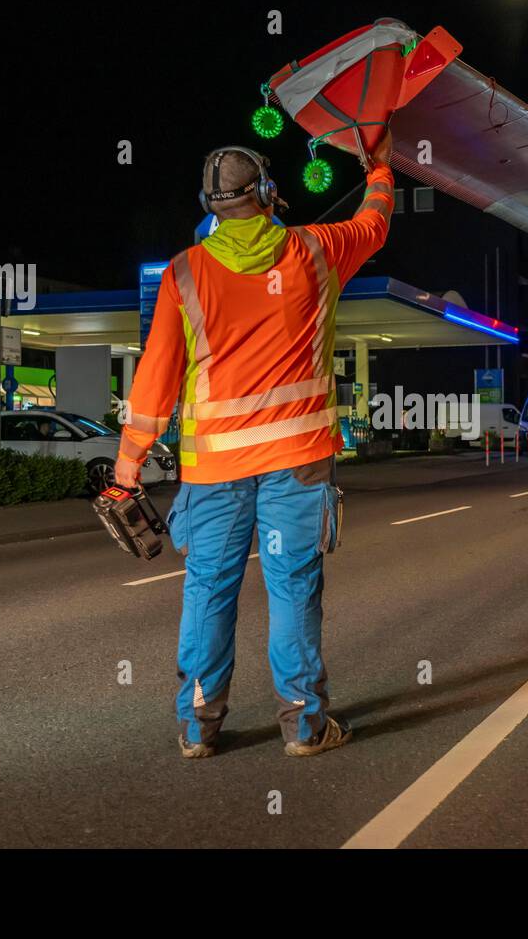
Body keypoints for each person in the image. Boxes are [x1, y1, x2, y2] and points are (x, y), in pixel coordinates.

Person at [116, 132, 395, 759]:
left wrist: (128, 464)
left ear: (208, 204)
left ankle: (198, 729)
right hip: (297, 464)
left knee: (209, 590)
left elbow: (156, 376)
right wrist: (378, 167)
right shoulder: (317, 252)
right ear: (268, 192)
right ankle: (303, 725)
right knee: (293, 588)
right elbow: (374, 224)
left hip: (213, 470)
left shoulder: (185, 273)